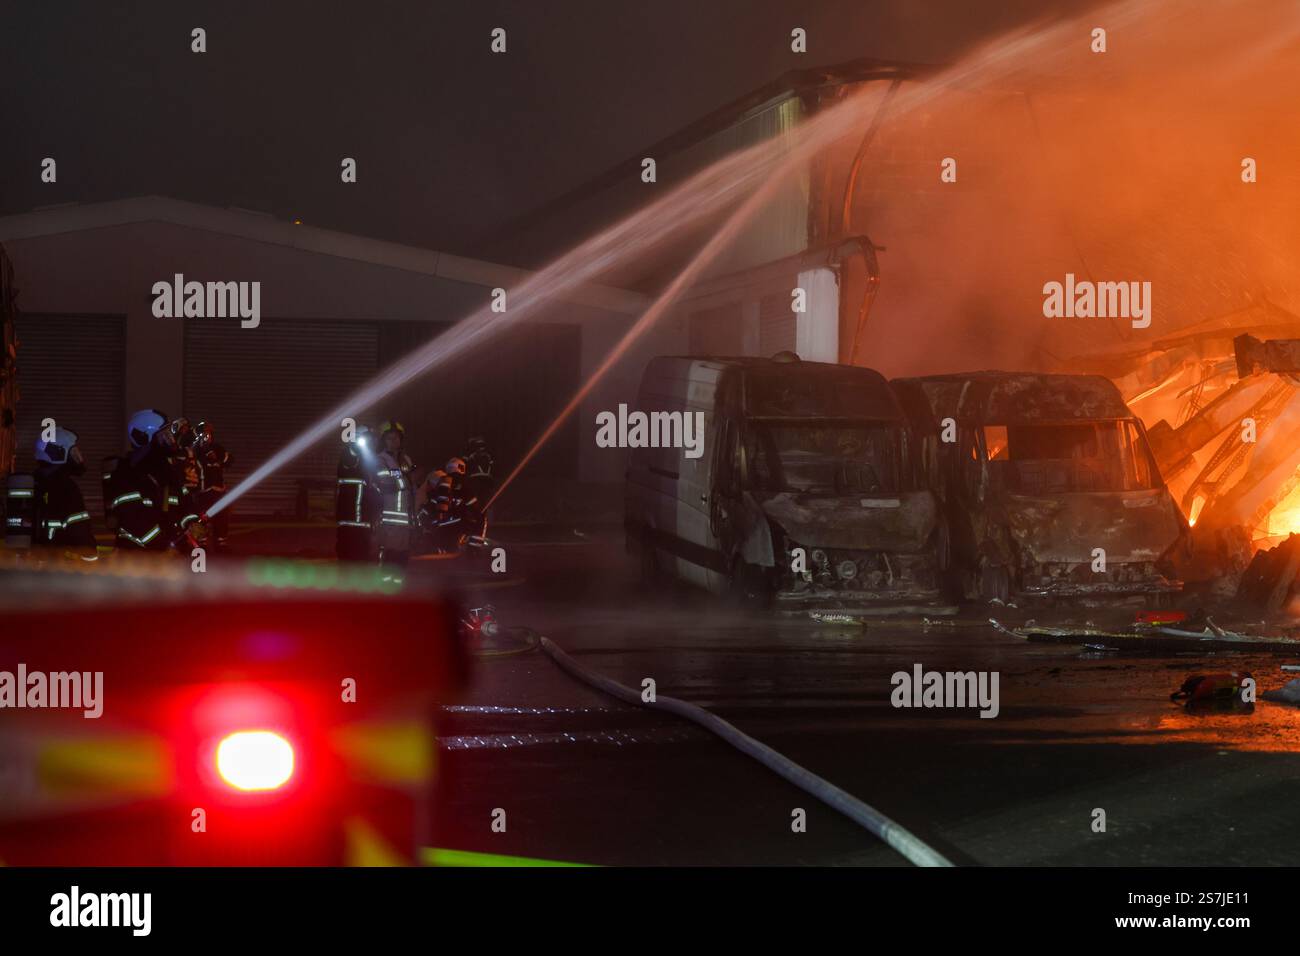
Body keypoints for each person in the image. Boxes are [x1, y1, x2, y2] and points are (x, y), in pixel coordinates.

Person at [104, 409, 199, 552]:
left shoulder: (166, 469)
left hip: (167, 553)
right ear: (145, 438)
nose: (169, 439)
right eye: (163, 435)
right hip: (135, 556)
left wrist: (191, 523)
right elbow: (135, 521)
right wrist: (165, 546)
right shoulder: (125, 472)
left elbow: (184, 502)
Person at [31, 426, 97, 561]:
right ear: (57, 454)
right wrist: (91, 559)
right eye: (72, 452)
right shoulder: (66, 488)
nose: (76, 456)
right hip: (61, 570)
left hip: (33, 566)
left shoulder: (34, 483)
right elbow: (81, 535)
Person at [371, 420, 415, 571]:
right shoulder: (380, 459)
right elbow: (386, 483)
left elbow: (411, 485)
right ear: (383, 441)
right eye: (389, 438)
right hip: (388, 516)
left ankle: (398, 588)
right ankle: (385, 589)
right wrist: (403, 478)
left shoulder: (406, 460)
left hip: (406, 518)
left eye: (396, 438)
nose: (393, 441)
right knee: (389, 554)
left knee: (403, 556)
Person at [335, 424, 376, 561]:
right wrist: (356, 445)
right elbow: (350, 457)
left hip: (362, 519)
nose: (370, 442)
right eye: (367, 438)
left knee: (362, 555)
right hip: (350, 519)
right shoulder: (350, 453)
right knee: (348, 556)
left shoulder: (365, 458)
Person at [190, 420, 233, 547]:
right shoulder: (194, 450)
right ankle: (201, 543)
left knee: (222, 517)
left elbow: (229, 460)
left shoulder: (217, 448)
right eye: (203, 434)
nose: (207, 437)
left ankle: (221, 542)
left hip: (219, 490)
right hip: (202, 491)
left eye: (209, 434)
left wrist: (217, 457)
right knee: (201, 518)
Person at [461, 437, 494, 544]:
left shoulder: (472, 457)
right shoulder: (488, 457)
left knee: (474, 512)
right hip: (486, 485)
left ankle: (471, 537)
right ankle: (478, 538)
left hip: (476, 485)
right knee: (481, 514)